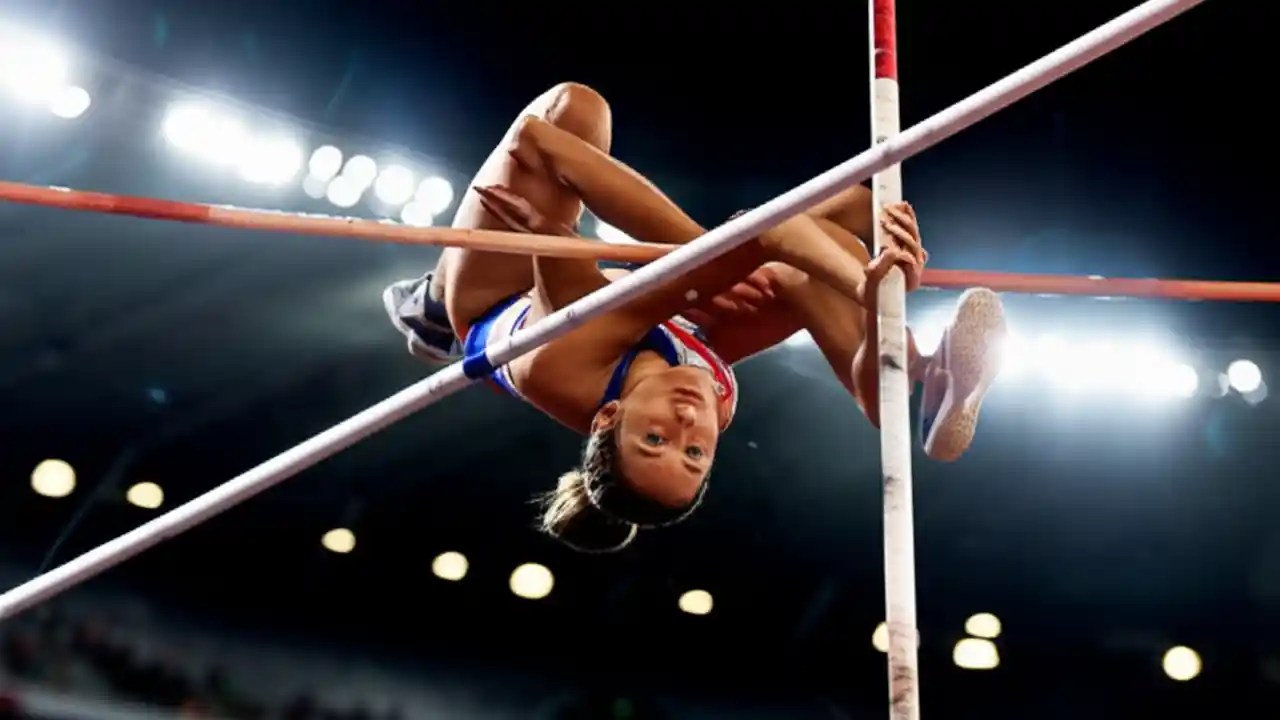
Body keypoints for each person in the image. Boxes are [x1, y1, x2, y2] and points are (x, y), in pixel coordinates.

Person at [383, 82, 1006, 552]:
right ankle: (911, 386)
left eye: (655, 439)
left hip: (507, 291)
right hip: (654, 321)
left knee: (569, 115)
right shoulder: (714, 396)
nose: (688, 424)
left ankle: (432, 309)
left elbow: (538, 150)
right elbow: (782, 255)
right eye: (696, 454)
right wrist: (871, 275)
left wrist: (721, 259)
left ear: (608, 416)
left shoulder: (560, 362)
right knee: (852, 213)